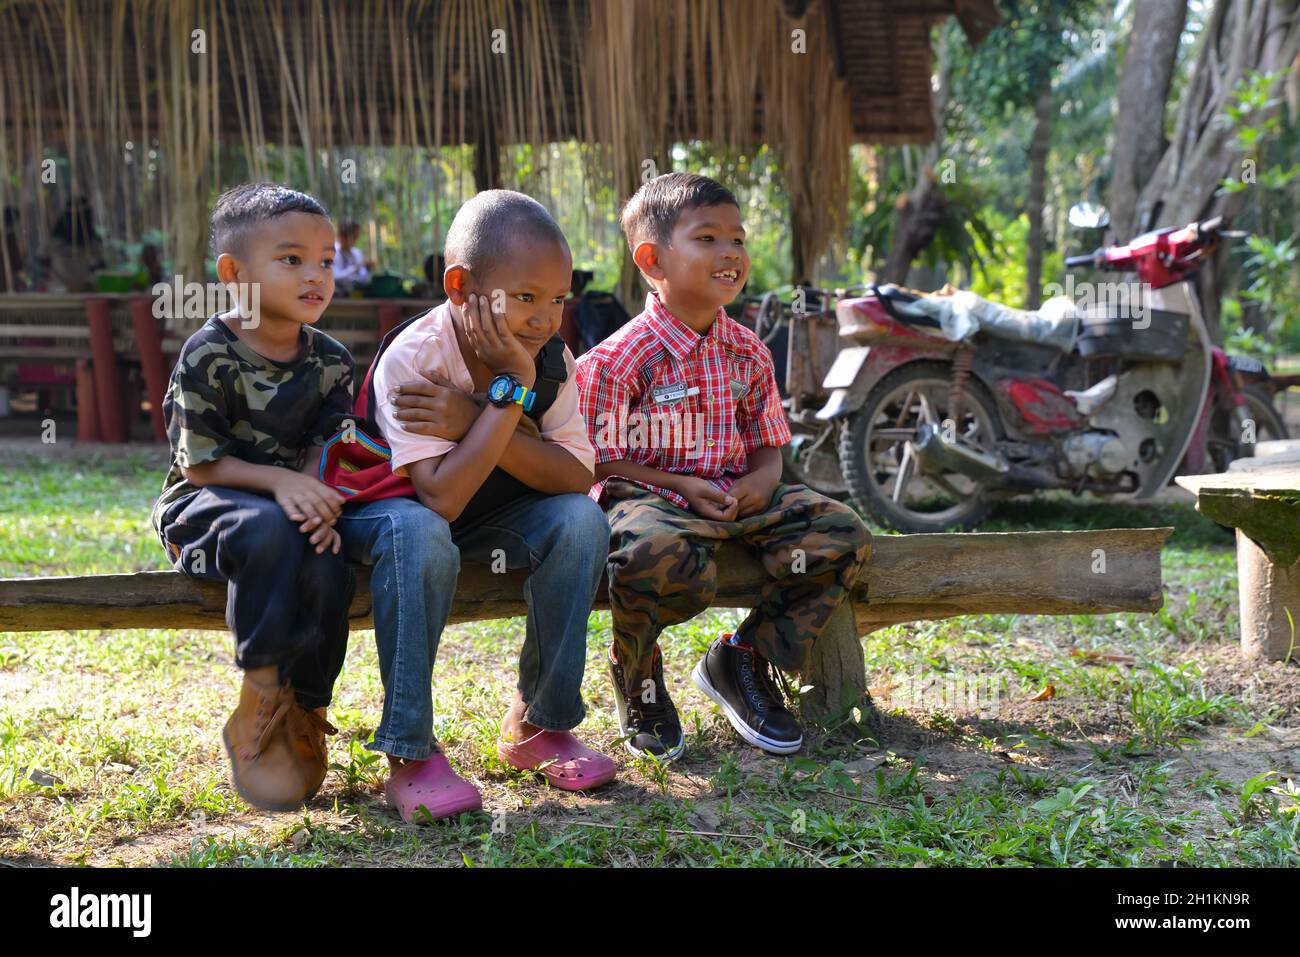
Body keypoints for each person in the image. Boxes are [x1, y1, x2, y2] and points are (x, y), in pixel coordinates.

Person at [329, 189, 615, 823]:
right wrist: (510, 403)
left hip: (488, 519)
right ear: (459, 286)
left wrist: (483, 412)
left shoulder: (550, 361)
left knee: (582, 522)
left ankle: (541, 725)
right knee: (422, 531)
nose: (545, 319)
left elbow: (574, 476)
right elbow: (441, 493)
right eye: (525, 297)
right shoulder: (416, 356)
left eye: (558, 299)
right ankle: (410, 752)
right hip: (396, 516)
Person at [575, 172, 871, 761]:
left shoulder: (749, 350)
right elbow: (595, 458)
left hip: (740, 497)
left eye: (737, 238)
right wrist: (679, 484)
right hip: (650, 500)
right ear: (653, 259)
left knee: (841, 534)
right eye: (707, 238)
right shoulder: (617, 359)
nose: (730, 252)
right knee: (652, 556)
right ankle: (638, 675)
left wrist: (763, 481)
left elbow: (767, 444)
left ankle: (744, 658)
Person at [150, 183, 356, 810]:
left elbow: (332, 453)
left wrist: (322, 502)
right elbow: (201, 465)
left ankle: (307, 706)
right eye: (291, 259)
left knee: (327, 559)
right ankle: (260, 691)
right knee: (267, 529)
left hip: (294, 509)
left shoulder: (331, 362)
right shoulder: (209, 354)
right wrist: (284, 484)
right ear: (235, 274)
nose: (316, 274)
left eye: (326, 259)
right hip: (204, 508)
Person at [332, 218, 372, 291]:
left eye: (356, 237)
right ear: (342, 236)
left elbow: (363, 279)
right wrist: (354, 268)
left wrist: (368, 268)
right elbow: (334, 277)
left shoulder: (357, 253)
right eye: (354, 237)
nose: (356, 240)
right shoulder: (332, 252)